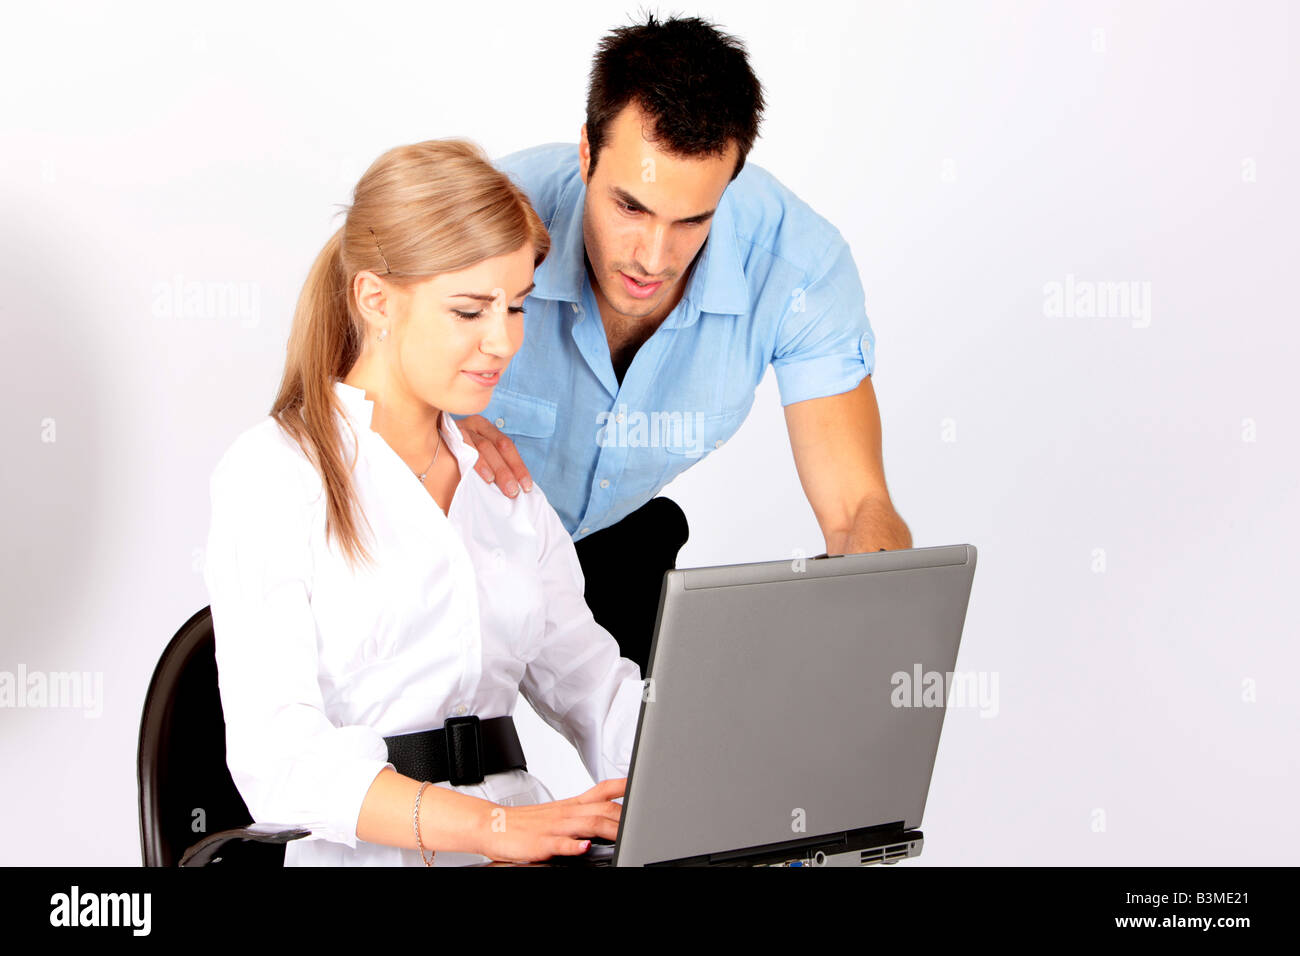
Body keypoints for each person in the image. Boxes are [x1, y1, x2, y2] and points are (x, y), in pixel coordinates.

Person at [202, 139, 643, 867]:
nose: (502, 341)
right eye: (469, 311)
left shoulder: (500, 483)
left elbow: (591, 683)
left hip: (523, 851)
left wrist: (708, 783)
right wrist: (490, 829)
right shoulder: (274, 474)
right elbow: (280, 759)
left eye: (516, 307)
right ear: (376, 298)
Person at [453, 16, 912, 673]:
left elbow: (858, 509)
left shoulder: (798, 270)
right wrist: (446, 416)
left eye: (691, 220)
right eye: (631, 208)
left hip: (611, 535)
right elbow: (349, 331)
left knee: (696, 742)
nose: (652, 257)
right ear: (586, 154)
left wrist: (873, 607)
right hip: (458, 528)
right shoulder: (485, 217)